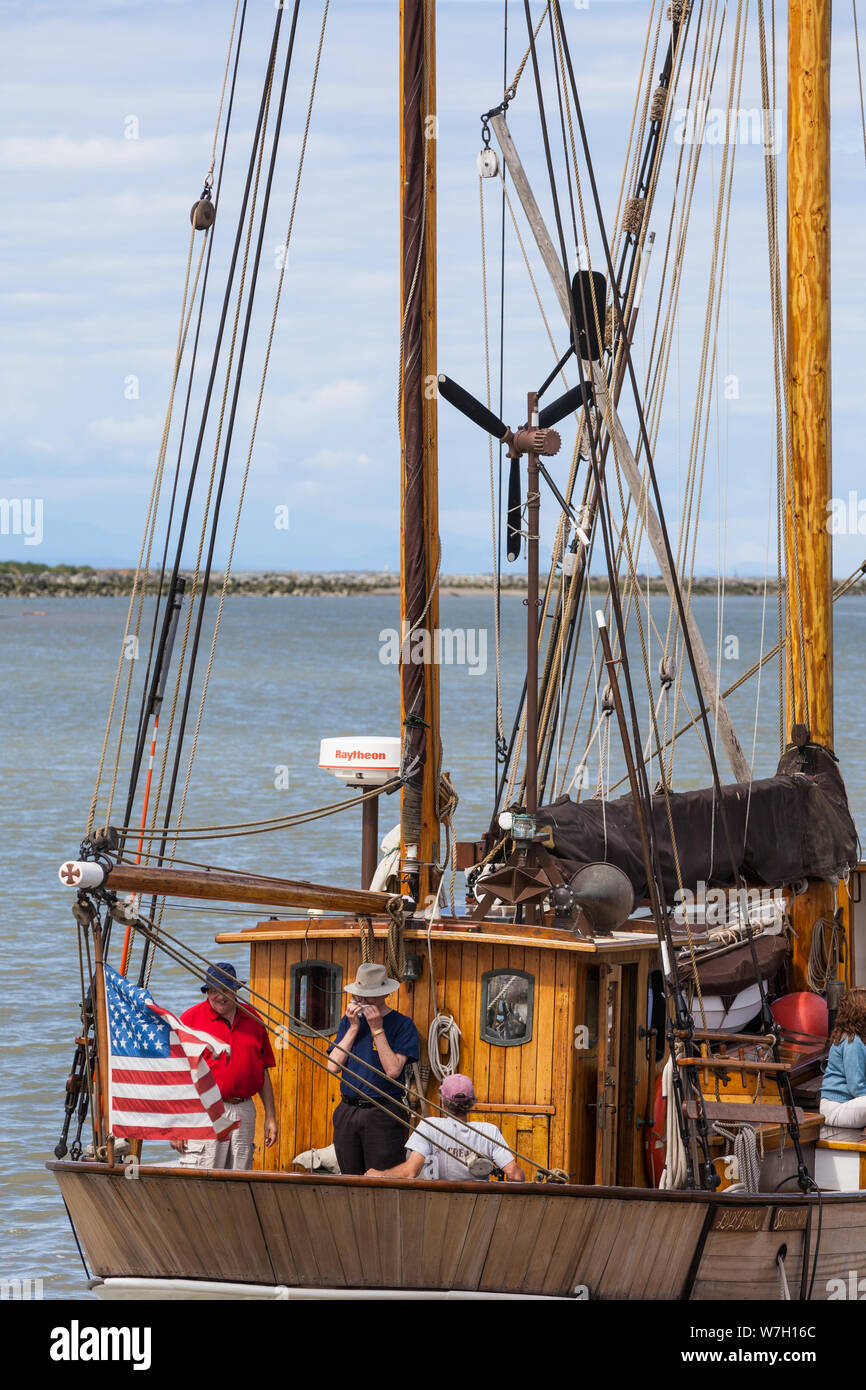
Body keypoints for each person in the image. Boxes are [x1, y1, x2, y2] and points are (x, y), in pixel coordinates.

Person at [170, 962, 278, 1169]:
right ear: (207, 991)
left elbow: (263, 1071)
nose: (220, 996)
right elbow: (177, 1075)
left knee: (240, 1178)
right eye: (213, 991)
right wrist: (177, 1124)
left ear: (236, 990)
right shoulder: (190, 1019)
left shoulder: (254, 1019)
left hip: (244, 1110)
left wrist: (270, 1117)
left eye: (226, 990)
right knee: (203, 1177)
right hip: (204, 1110)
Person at [326, 962, 419, 1175]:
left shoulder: (403, 1024)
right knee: (349, 1177)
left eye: (368, 996)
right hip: (348, 1110)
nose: (362, 1001)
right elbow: (333, 1066)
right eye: (359, 996)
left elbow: (393, 1071)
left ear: (383, 994)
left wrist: (377, 1029)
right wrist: (353, 1029)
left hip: (383, 1113)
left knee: (381, 1179)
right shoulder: (347, 1022)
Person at [366, 1073, 525, 1182]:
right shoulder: (489, 1131)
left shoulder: (429, 1127)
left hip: (439, 1209)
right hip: (478, 1209)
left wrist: (380, 1174)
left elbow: (410, 1172)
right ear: (472, 1103)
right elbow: (516, 1176)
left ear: (442, 1101)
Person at [820, 987, 866, 1130]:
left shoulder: (858, 1039)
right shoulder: (853, 1042)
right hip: (836, 1108)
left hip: (850, 1104)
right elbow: (856, 1086)